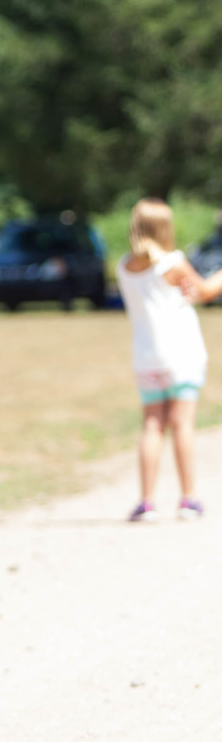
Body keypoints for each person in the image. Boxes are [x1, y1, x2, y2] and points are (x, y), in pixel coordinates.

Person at [117, 198, 222, 522]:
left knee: (152, 424)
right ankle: (187, 499)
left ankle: (146, 502)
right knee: (182, 424)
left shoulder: (124, 265)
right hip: (181, 354)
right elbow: (205, 291)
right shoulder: (172, 263)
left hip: (146, 357)